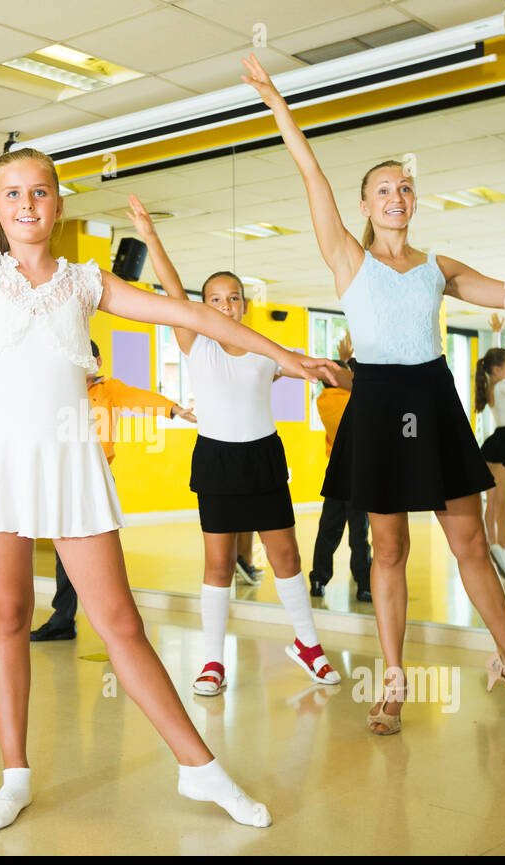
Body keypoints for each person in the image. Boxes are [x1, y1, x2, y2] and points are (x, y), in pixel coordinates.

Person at [0, 21, 337, 829]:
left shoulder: (85, 284)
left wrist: (287, 354)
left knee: (121, 621)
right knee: (4, 617)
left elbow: (194, 317)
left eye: (41, 191)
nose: (28, 204)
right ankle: (14, 773)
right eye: (13, 194)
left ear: (57, 204)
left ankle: (199, 769)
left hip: (70, 465)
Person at [243, 53, 505, 732]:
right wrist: (276, 102)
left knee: (468, 544)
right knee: (388, 550)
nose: (397, 197)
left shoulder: (438, 268)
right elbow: (310, 173)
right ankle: (393, 682)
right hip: (377, 401)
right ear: (365, 205)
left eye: (404, 187)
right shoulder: (348, 258)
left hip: (431, 401)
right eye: (383, 189)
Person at [122, 193, 342, 694]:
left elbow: (312, 370)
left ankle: (307, 644)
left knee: (285, 559)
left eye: (233, 298)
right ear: (205, 306)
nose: (225, 305)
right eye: (216, 299)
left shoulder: (267, 353)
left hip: (263, 457)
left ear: (245, 303)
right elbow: (173, 292)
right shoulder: (193, 342)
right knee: (218, 564)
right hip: (217, 459)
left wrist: (338, 369)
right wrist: (151, 236)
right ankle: (212, 661)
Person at [31, 338, 196, 641]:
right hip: (64, 477)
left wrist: (174, 410)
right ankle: (63, 618)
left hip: (98, 477)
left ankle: (117, 623)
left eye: (85, 359)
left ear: (98, 362)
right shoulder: (58, 390)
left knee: (104, 552)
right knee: (65, 552)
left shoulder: (110, 389)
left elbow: (139, 398)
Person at [309, 331, 372, 603]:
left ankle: (318, 580)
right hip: (357, 474)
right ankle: (364, 585)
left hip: (337, 474)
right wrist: (348, 362)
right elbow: (365, 387)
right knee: (359, 533)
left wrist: (346, 362)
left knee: (328, 530)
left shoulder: (323, 401)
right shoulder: (345, 400)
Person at [474, 317, 505, 581]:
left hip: (494, 442)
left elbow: (492, 362)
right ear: (498, 369)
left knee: (492, 503)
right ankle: (502, 551)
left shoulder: (491, 384)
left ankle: (495, 549)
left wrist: (496, 334)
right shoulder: (504, 385)